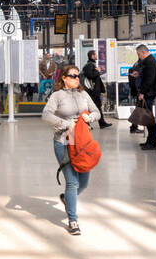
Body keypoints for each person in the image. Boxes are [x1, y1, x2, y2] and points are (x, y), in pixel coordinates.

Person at [42, 64, 99, 236]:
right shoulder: (57, 95)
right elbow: (46, 115)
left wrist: (90, 117)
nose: (76, 78)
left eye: (77, 75)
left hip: (83, 140)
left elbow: (97, 111)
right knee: (72, 182)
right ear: (64, 78)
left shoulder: (83, 94)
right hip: (64, 140)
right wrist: (66, 124)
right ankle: (73, 220)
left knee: (84, 182)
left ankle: (67, 199)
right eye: (72, 76)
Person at [135, 44, 156, 150]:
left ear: (143, 52)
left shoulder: (150, 62)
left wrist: (142, 92)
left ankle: (152, 142)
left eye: (139, 54)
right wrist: (138, 74)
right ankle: (150, 141)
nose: (139, 56)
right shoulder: (149, 61)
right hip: (148, 93)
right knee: (148, 118)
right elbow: (146, 76)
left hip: (148, 94)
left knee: (149, 119)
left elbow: (149, 80)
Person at [82, 50, 112, 128]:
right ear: (92, 56)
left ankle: (102, 123)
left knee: (98, 106)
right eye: (95, 55)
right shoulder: (90, 65)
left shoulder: (92, 64)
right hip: (92, 91)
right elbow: (90, 75)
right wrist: (98, 71)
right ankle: (86, 124)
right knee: (90, 107)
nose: (97, 56)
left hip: (94, 91)